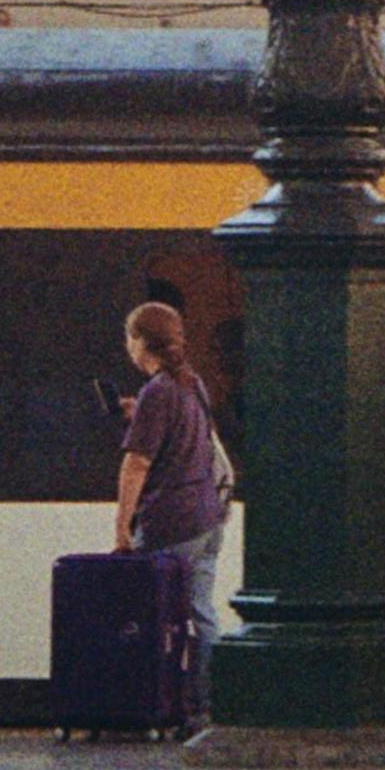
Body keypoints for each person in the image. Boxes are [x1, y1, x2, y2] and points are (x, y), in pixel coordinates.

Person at [112, 300, 229, 729]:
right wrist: (137, 412)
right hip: (208, 518)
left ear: (141, 343)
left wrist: (123, 523)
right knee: (202, 613)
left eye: (130, 338)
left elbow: (137, 463)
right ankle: (205, 706)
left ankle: (150, 703)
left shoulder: (157, 391)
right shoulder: (190, 383)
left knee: (149, 616)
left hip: (171, 520)